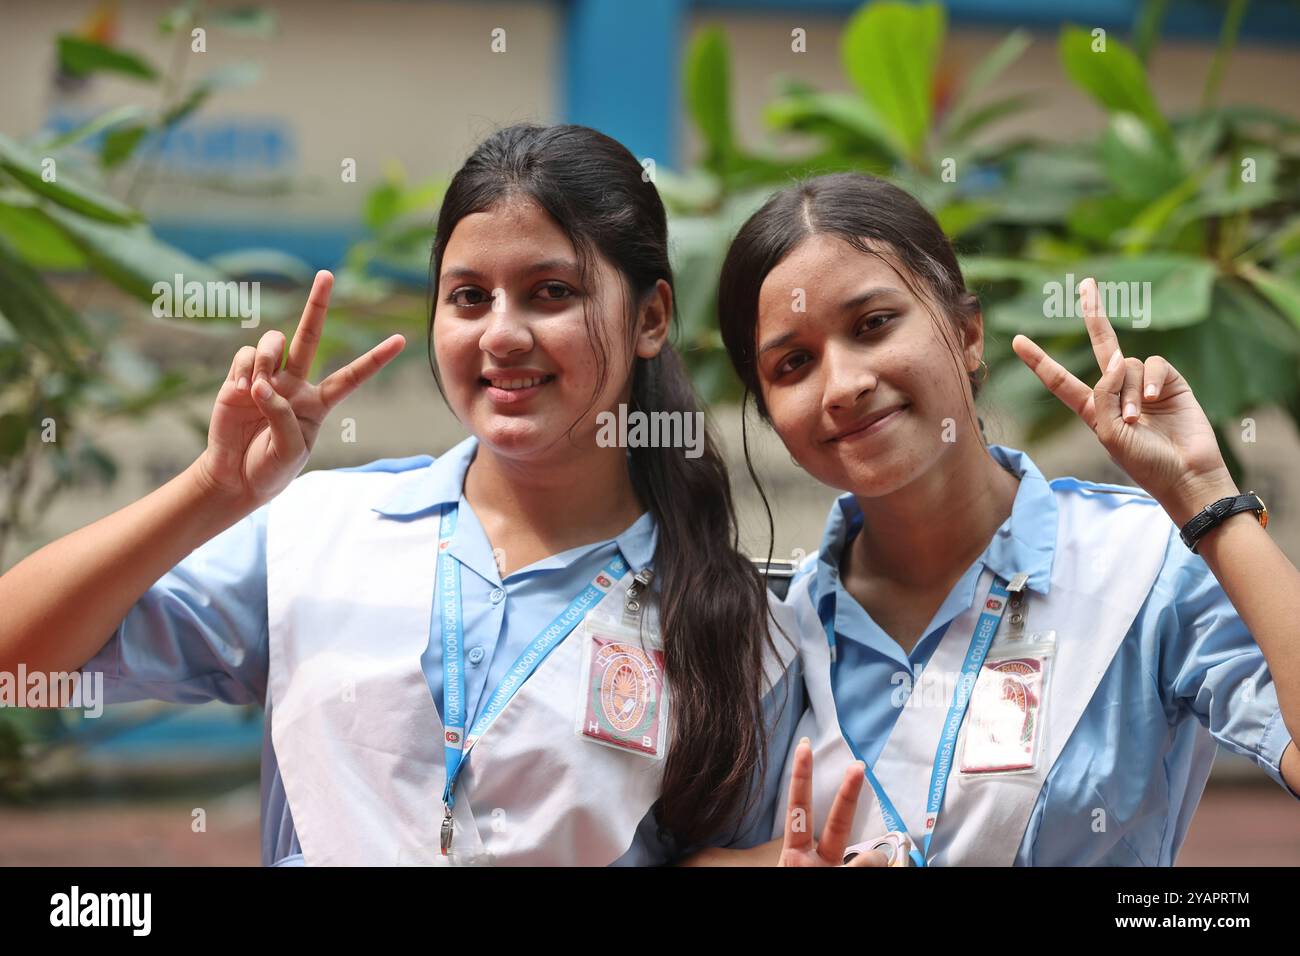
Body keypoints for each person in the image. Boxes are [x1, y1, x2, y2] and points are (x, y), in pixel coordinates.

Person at [0, 123, 799, 866]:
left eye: (552, 291)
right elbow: (15, 662)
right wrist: (213, 490)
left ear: (651, 317)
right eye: (469, 297)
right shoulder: (322, 531)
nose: (501, 333)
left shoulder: (736, 629)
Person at [714, 171, 1300, 866]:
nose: (843, 386)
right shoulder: (776, 633)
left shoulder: (1139, 564)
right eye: (793, 363)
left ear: (967, 334)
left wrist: (1205, 498)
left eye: (873, 325)